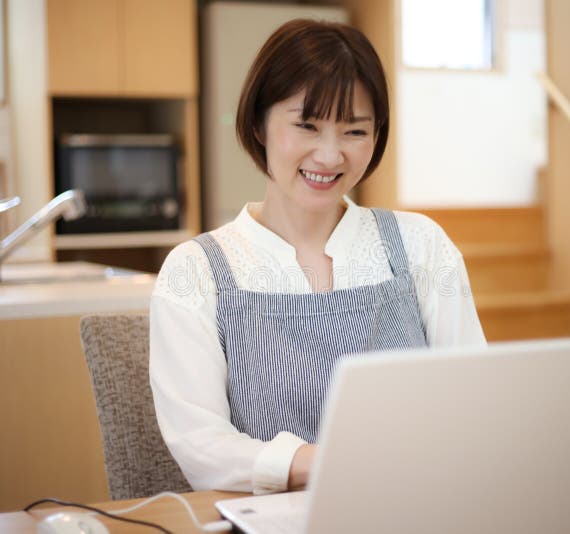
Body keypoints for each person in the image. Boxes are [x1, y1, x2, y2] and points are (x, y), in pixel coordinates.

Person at [149, 18, 486, 496]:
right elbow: (201, 446)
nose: (330, 156)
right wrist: (335, 463)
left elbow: (473, 400)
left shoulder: (421, 245)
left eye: (354, 131)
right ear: (258, 124)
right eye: (307, 125)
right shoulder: (196, 270)